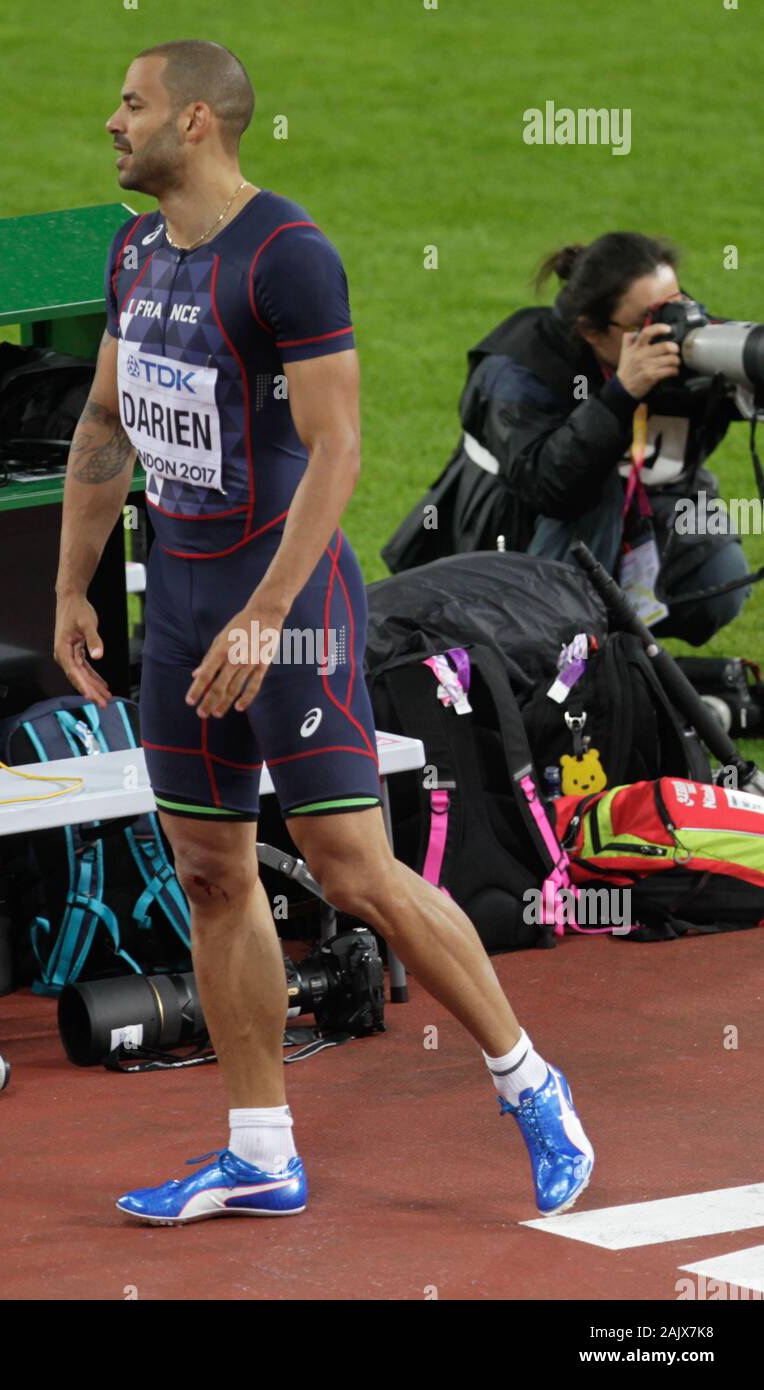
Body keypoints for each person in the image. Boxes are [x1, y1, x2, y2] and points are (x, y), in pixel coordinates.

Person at [54, 39, 593, 1225]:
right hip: (180, 597)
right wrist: (72, 585)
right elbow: (105, 423)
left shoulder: (286, 258)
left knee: (350, 867)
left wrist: (261, 615)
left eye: (131, 104)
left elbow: (337, 449)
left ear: (196, 122)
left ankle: (532, 1083)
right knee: (210, 870)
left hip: (287, 606)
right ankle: (258, 1152)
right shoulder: (136, 250)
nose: (111, 121)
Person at [382, 232, 753, 646]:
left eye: (676, 302)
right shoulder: (520, 362)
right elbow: (548, 484)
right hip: (516, 526)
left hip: (645, 511)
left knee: (718, 580)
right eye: (647, 321)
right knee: (593, 502)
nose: (670, 327)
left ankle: (617, 662)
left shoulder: (682, 341)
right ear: (592, 331)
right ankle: (544, 651)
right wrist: (621, 395)